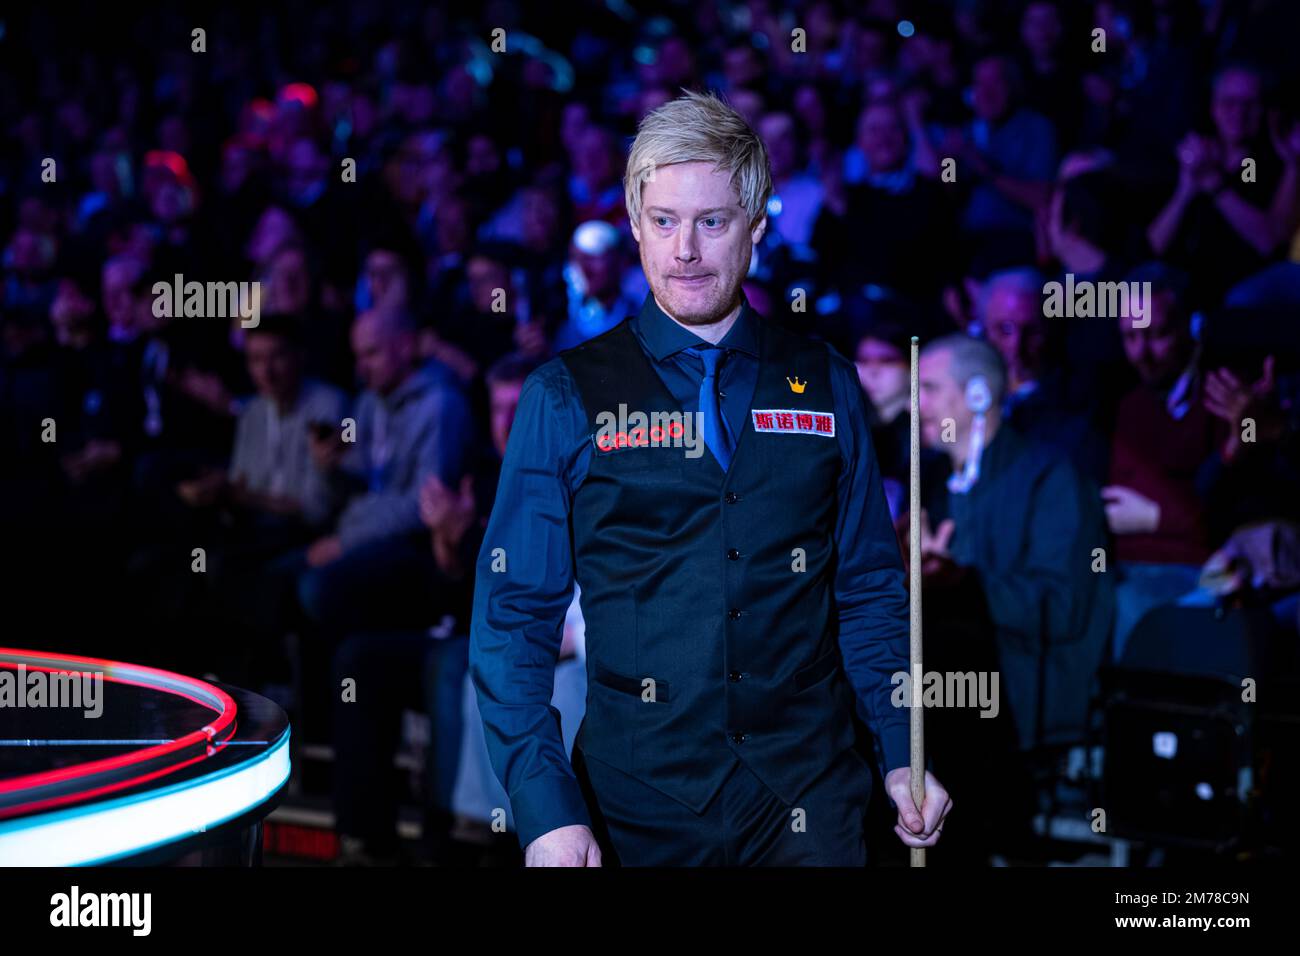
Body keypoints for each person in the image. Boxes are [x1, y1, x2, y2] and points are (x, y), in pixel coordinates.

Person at [470, 90, 951, 867]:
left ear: (757, 228)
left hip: (813, 797)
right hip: (638, 808)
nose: (685, 249)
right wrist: (545, 806)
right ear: (634, 226)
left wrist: (903, 748)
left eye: (712, 221)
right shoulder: (563, 395)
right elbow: (514, 616)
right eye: (663, 221)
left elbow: (868, 591)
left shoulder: (825, 382)